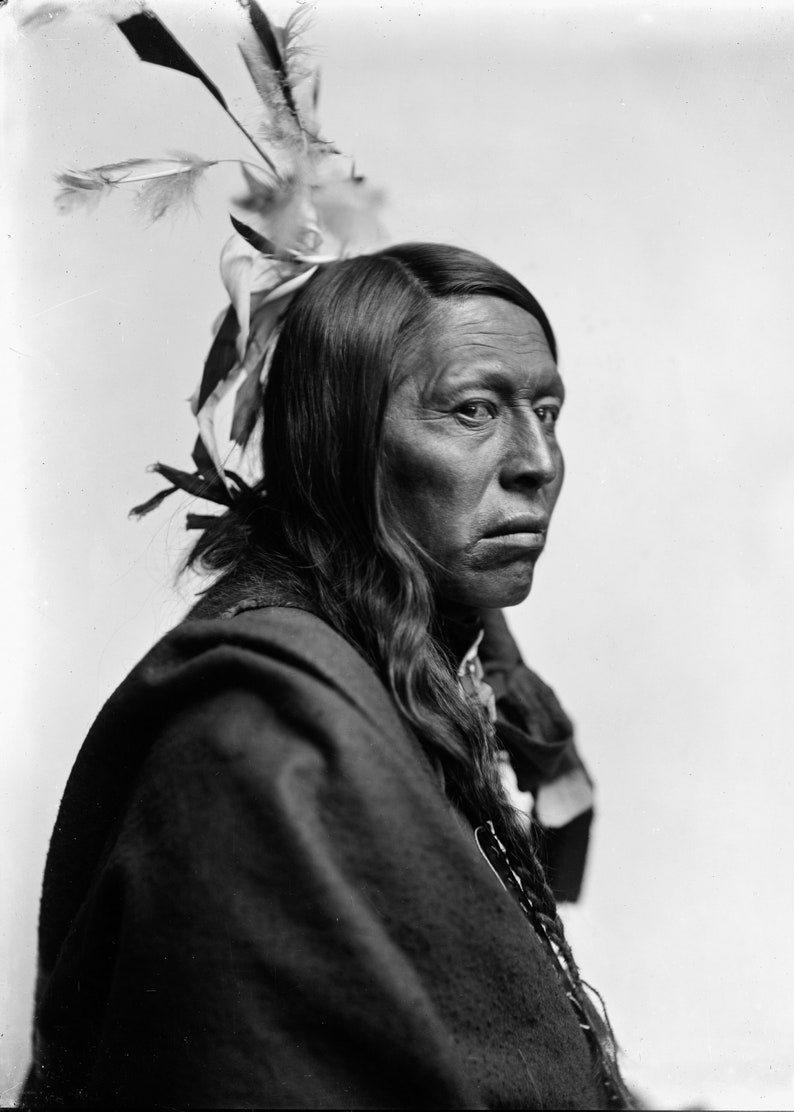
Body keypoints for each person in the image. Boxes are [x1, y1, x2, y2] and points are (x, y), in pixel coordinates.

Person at [22, 242, 631, 1109]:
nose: (537, 460)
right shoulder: (263, 739)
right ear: (342, 444)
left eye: (547, 409)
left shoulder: (425, 671)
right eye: (472, 411)